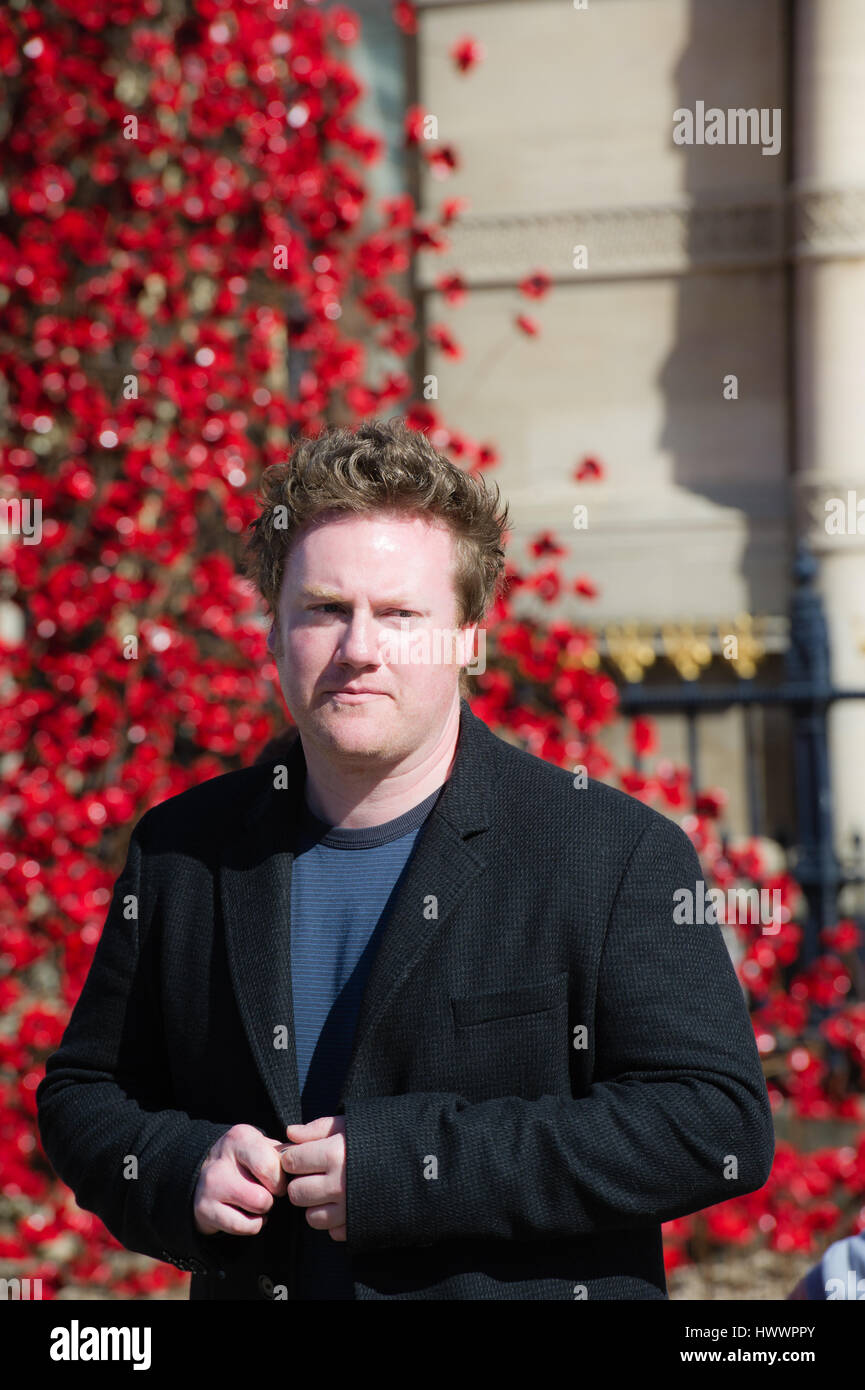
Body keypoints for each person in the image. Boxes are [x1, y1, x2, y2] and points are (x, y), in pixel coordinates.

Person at [37, 417, 775, 1300]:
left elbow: (711, 1123)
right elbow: (86, 1094)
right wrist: (179, 1167)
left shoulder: (610, 853)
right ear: (273, 629)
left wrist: (413, 1168)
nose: (359, 649)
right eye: (324, 610)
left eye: (399, 615)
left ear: (469, 636)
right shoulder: (181, 850)